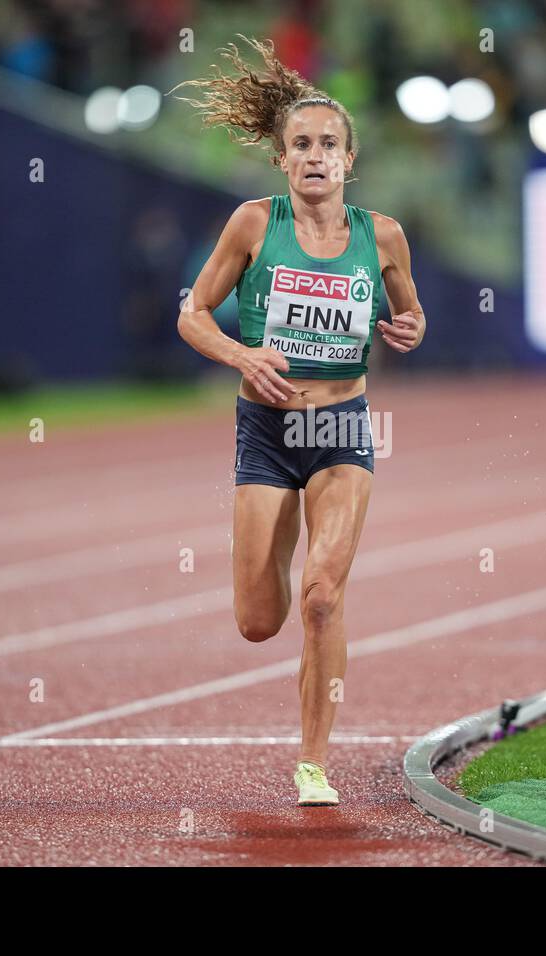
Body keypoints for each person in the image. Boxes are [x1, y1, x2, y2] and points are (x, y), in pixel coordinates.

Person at [172, 37, 427, 806]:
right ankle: (279, 543)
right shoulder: (254, 224)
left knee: (322, 597)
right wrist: (242, 356)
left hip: (342, 428)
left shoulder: (383, 236)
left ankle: (313, 761)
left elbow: (411, 313)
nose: (315, 156)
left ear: (350, 159)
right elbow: (191, 314)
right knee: (258, 620)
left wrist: (411, 328)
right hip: (266, 432)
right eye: (301, 146)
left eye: (329, 145)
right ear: (282, 161)